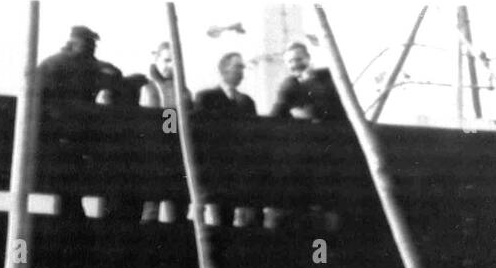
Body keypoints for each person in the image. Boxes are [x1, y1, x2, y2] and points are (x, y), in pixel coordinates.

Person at [36, 25, 125, 219]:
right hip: (90, 151)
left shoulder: (49, 66)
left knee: (69, 195)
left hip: (59, 150)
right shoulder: (104, 71)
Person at [194, 53, 259, 228]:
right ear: (223, 70)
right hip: (215, 177)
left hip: (238, 178)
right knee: (216, 226)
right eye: (238, 67)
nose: (242, 71)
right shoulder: (206, 98)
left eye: (243, 67)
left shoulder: (247, 102)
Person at [139, 42, 191, 224]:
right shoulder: (146, 87)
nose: (171, 66)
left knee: (178, 211)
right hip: (150, 160)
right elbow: (165, 124)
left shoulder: (183, 91)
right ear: (156, 58)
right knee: (149, 210)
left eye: (175, 61)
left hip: (175, 159)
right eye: (167, 60)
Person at [270, 41, 344, 122]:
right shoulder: (289, 85)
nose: (295, 64)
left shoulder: (329, 76)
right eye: (290, 61)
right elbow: (275, 115)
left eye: (299, 59)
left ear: (308, 58)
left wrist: (309, 83)